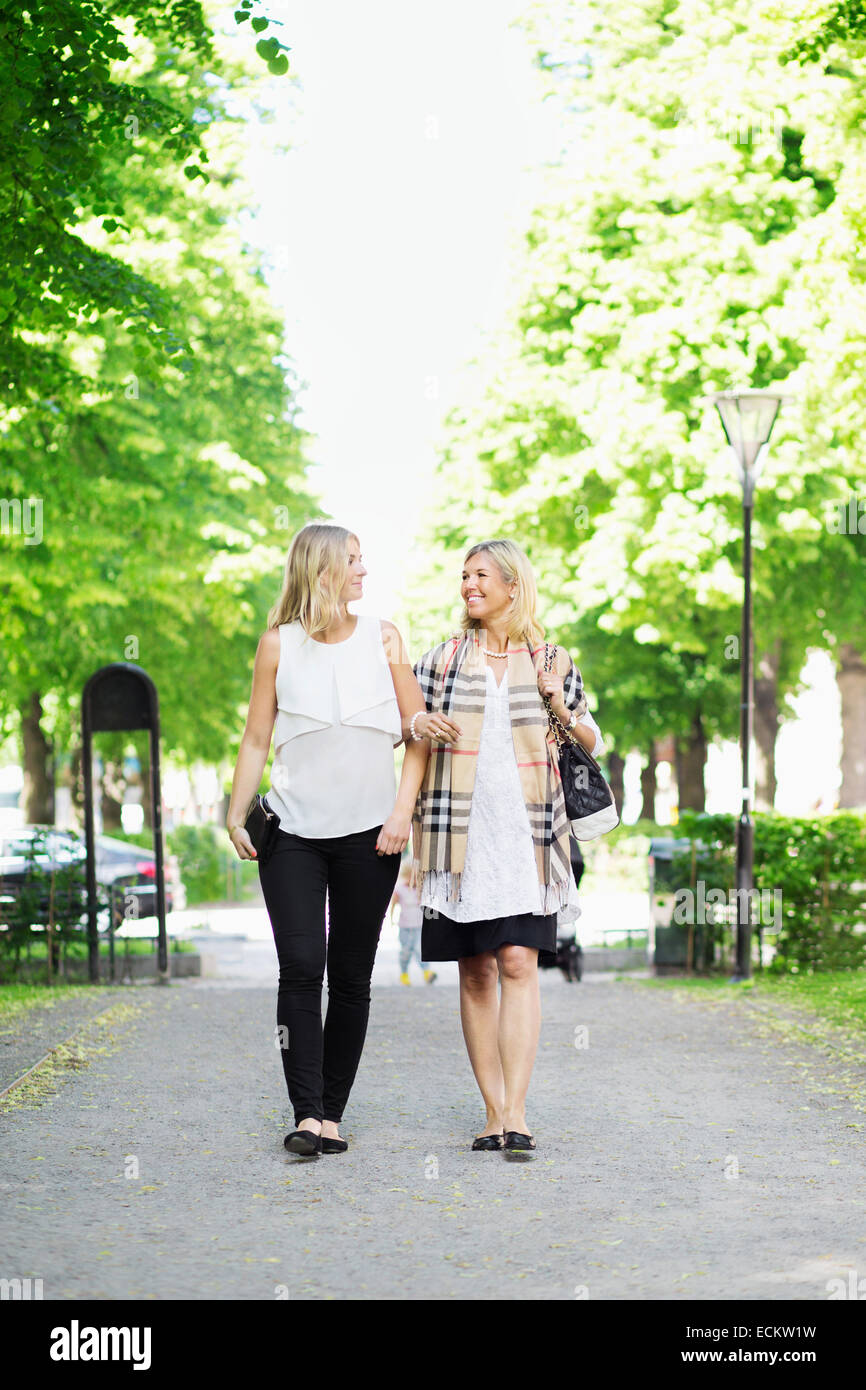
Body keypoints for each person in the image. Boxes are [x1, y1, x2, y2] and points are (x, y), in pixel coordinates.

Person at [226, 522, 429, 1157]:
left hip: (372, 835)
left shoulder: (386, 638)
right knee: (302, 966)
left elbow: (416, 731)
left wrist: (403, 813)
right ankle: (305, 1113)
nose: (364, 573)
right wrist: (235, 814)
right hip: (292, 834)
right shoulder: (276, 646)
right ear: (322, 572)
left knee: (350, 975)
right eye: (354, 562)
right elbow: (257, 737)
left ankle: (333, 1114)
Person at [405, 538, 605, 1156]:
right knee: (475, 972)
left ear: (513, 586)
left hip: (528, 836)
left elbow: (591, 739)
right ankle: (491, 1113)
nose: (468, 585)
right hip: (459, 836)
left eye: (481, 575)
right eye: (464, 576)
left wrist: (554, 700)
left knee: (519, 962)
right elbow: (407, 734)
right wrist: (416, 730)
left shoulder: (550, 658)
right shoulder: (440, 661)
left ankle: (517, 1113)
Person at [390, 858, 436, 986]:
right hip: (405, 926)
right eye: (412, 876)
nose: (415, 880)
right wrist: (392, 919)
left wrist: (432, 921)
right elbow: (393, 905)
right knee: (406, 951)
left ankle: (427, 972)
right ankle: (404, 973)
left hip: (419, 926)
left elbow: (429, 907)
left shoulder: (422, 890)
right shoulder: (400, 889)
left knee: (419, 950)